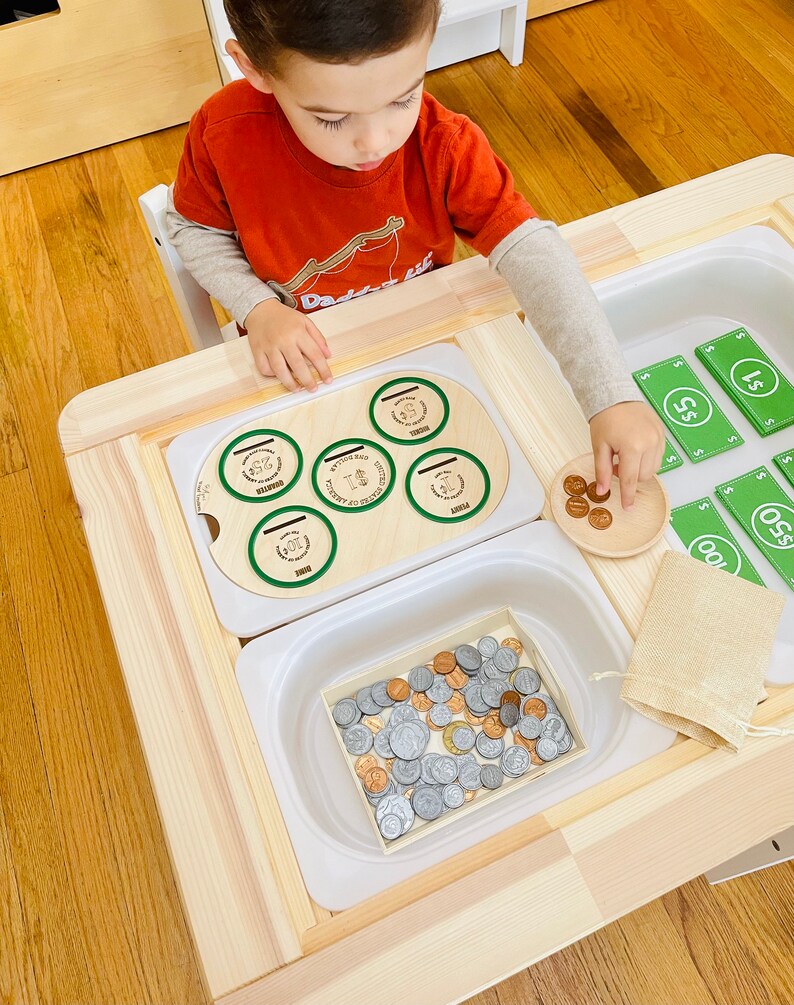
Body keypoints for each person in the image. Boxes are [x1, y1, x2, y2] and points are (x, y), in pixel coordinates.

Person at [167, 0, 664, 508]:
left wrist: (611, 395)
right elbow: (194, 231)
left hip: (423, 348)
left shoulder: (444, 144)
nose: (374, 142)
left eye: (403, 99)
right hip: (299, 369)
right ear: (253, 68)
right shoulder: (223, 132)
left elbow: (532, 250)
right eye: (333, 120)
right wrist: (259, 307)